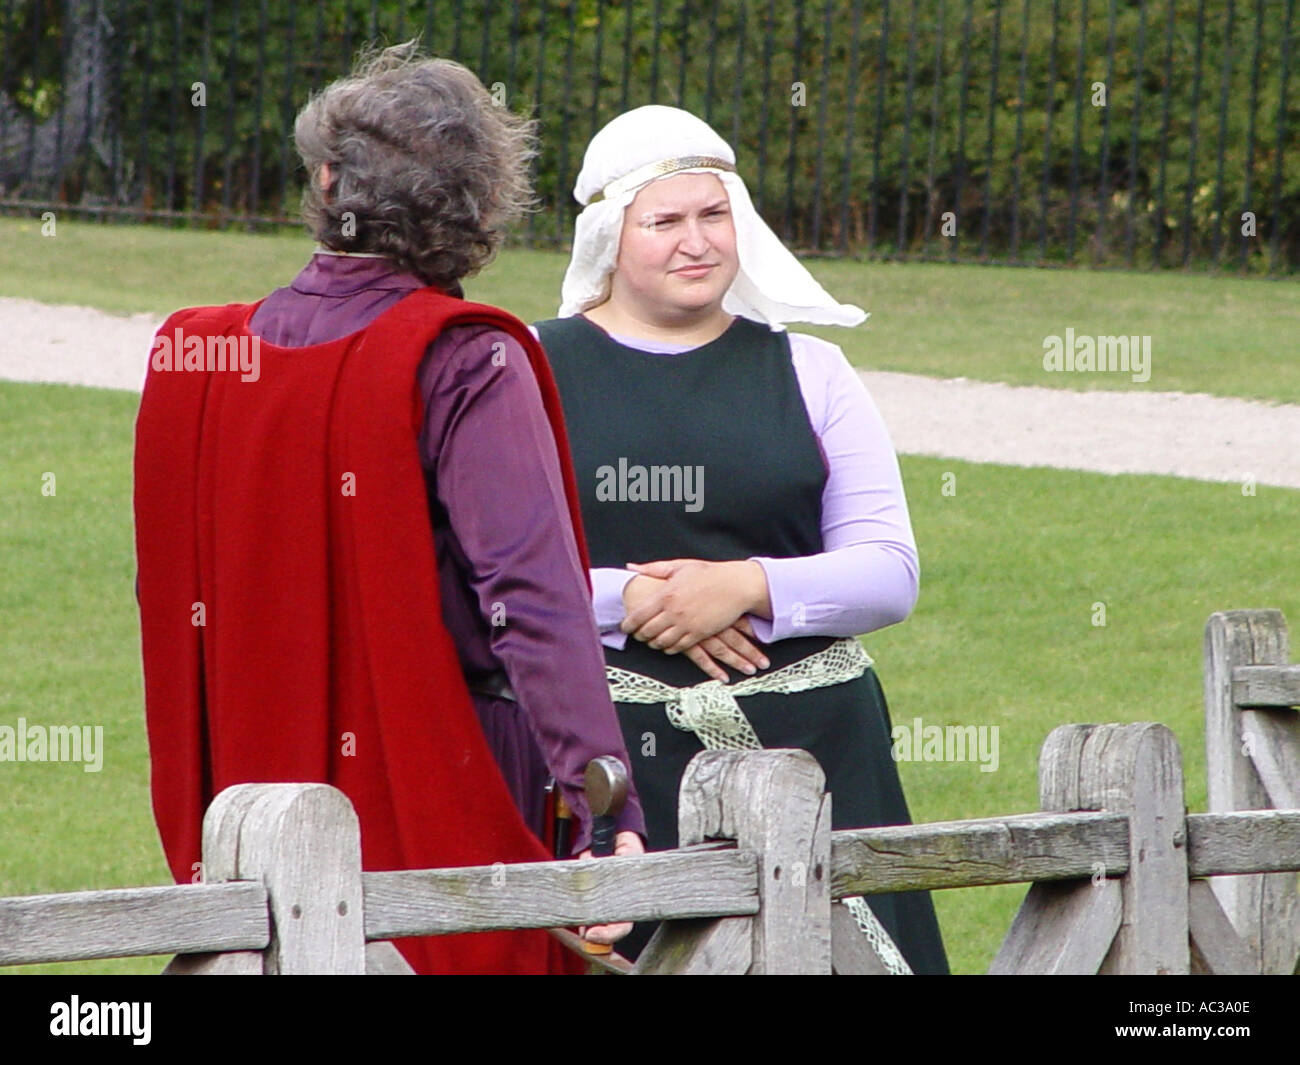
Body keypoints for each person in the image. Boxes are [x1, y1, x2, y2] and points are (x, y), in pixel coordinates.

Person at [132, 43, 644, 976]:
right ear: (479, 211)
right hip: (441, 777)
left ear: (328, 181)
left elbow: (170, 614)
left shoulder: (194, 357)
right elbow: (529, 600)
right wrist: (605, 809)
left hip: (246, 796)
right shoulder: (463, 357)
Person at [532, 105, 949, 973]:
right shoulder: (532, 369)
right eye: (665, 221)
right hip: (619, 761)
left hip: (823, 750)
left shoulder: (811, 369)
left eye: (713, 214)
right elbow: (491, 575)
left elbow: (889, 571)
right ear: (613, 236)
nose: (696, 242)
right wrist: (638, 601)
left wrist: (748, 586)